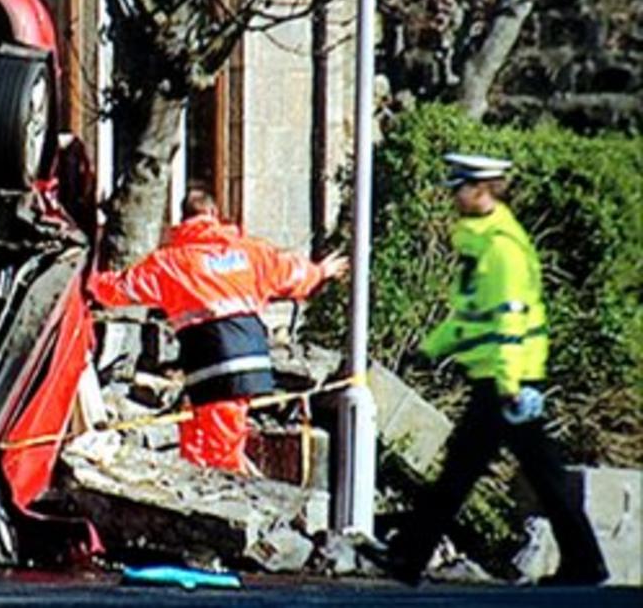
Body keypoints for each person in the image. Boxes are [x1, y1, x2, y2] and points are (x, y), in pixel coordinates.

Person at [386, 153, 608, 586]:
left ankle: (408, 557)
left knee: (474, 472)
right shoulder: (481, 241)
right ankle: (585, 563)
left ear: (482, 190)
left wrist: (508, 384)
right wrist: (431, 350)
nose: (453, 195)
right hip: (498, 381)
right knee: (527, 474)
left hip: (506, 383)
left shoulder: (500, 247)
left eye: (460, 187)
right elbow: (468, 315)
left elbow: (509, 318)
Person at [87, 189, 348, 473]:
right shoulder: (250, 252)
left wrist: (83, 278)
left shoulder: (170, 262)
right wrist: (321, 272)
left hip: (212, 362)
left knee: (218, 453)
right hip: (245, 359)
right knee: (200, 438)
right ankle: (201, 495)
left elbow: (118, 289)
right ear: (213, 215)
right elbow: (293, 273)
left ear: (182, 219)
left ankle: (226, 506)